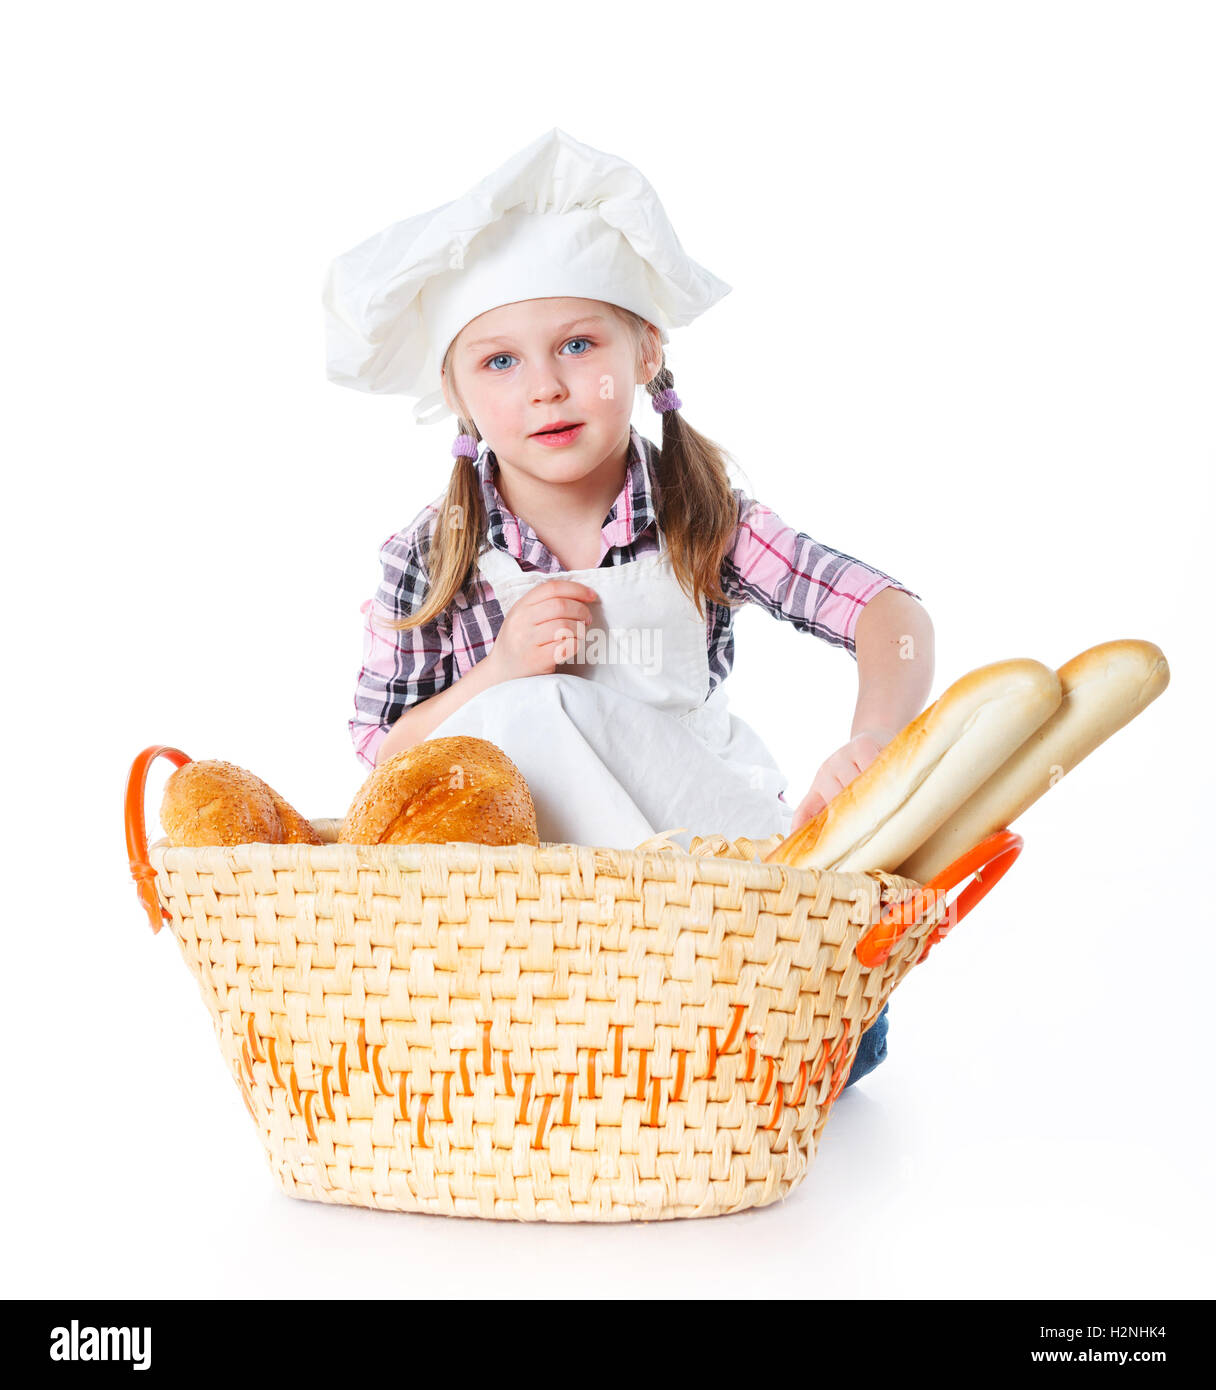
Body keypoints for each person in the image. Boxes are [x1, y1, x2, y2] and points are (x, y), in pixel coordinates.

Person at [325, 128, 935, 1086]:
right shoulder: (428, 559)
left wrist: (874, 740)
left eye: (578, 344)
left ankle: (776, 1006)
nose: (548, 387)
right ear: (455, 393)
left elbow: (886, 611)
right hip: (561, 945)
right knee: (525, 716)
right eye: (499, 362)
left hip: (727, 902)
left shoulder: (703, 521)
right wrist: (499, 673)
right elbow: (380, 759)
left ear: (646, 351)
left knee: (777, 1014)